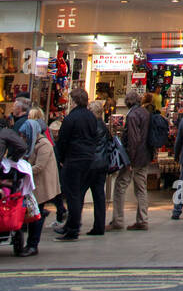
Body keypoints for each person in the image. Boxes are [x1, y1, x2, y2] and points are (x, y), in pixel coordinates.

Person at [53, 88, 102, 241]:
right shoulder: (91, 117)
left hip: (73, 158)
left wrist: (60, 158)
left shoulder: (71, 118)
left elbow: (63, 140)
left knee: (72, 194)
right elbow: (94, 137)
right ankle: (70, 226)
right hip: (88, 158)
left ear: (74, 101)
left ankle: (72, 228)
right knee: (77, 192)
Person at [110, 90, 151, 231]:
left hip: (134, 158)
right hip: (144, 156)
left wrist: (129, 161)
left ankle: (118, 219)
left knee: (120, 186)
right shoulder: (145, 113)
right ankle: (143, 219)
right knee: (141, 188)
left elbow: (133, 139)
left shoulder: (132, 115)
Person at [24, 113, 59, 256]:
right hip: (36, 184)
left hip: (42, 184)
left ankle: (33, 245)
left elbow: (39, 166)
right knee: (35, 212)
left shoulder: (43, 144)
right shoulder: (34, 142)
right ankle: (31, 244)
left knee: (36, 214)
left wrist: (23, 171)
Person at [85, 99, 110, 235]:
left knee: (79, 193)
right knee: (99, 195)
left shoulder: (92, 126)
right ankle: (99, 225)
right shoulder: (103, 126)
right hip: (102, 163)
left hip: (91, 164)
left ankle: (73, 223)